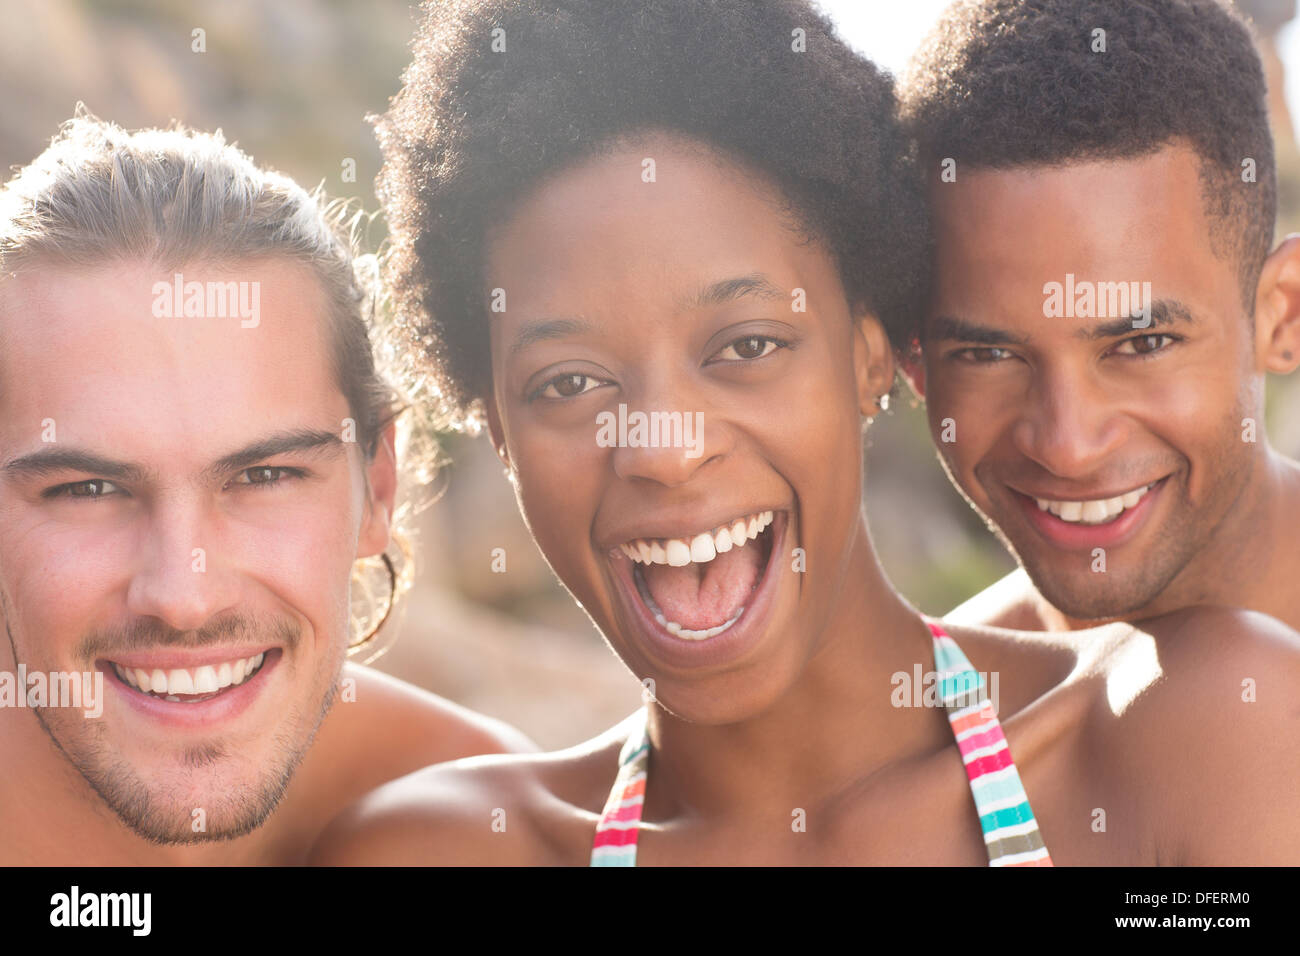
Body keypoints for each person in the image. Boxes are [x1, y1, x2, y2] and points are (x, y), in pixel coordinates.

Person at [313, 0, 1300, 866]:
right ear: (494, 426)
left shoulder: (1192, 740)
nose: (662, 446)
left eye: (744, 344)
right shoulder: (436, 850)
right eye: (568, 380)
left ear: (877, 352)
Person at [0, 112, 534, 865]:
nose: (185, 600)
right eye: (86, 489)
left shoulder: (484, 821)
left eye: (262, 476)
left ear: (377, 486)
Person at [898, 0, 1300, 634]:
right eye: (989, 355)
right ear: (913, 359)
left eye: (1143, 344)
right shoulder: (936, 716)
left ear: (1283, 318)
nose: (1068, 448)